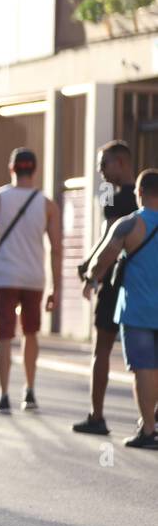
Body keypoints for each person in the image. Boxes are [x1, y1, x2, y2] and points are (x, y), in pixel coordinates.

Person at [0, 148, 62, 414]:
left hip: (4, 277)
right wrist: (55, 287)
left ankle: (3, 395)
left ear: (11, 168)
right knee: (31, 333)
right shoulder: (47, 204)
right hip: (34, 278)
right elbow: (56, 249)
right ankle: (29, 391)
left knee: (4, 335)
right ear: (34, 170)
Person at [85, 170, 158, 448]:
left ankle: (148, 430)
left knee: (143, 368)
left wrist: (91, 279)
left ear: (140, 193)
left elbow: (102, 260)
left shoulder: (129, 225)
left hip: (137, 310)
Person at [75, 140, 138, 435]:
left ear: (121, 163)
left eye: (104, 164)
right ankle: (149, 420)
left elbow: (109, 240)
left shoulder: (113, 199)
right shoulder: (147, 199)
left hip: (113, 281)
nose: (100, 170)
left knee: (102, 348)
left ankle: (97, 416)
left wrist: (90, 269)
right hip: (143, 283)